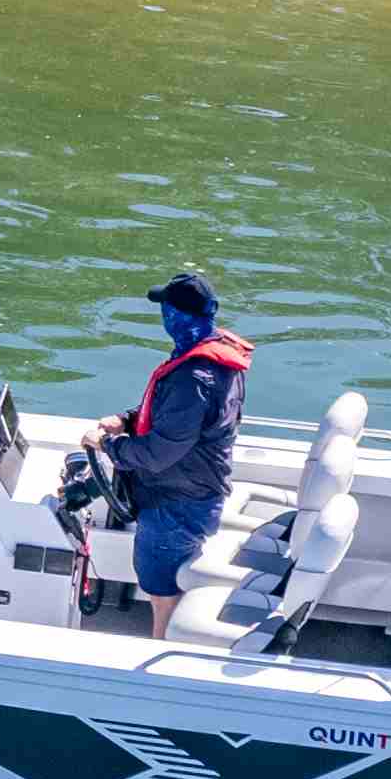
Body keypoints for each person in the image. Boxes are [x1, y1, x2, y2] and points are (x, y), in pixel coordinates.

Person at [91, 268, 254, 636]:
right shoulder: (211, 359)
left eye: (166, 308)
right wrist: (126, 420)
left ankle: (162, 658)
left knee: (162, 592)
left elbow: (160, 451)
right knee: (161, 585)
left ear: (177, 315)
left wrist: (106, 445)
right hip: (195, 493)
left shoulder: (193, 377)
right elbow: (178, 422)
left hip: (176, 507)